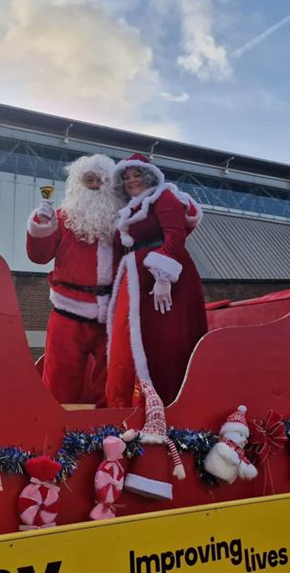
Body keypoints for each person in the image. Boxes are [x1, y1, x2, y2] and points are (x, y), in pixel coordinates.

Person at [105, 153, 207, 408]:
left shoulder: (164, 196)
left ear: (148, 176)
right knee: (128, 338)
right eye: (126, 177)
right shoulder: (128, 209)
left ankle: (165, 402)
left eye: (136, 175)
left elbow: (175, 235)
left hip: (164, 279)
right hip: (135, 278)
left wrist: (163, 276)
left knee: (163, 340)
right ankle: (127, 403)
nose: (131, 181)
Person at [27, 154, 121, 404]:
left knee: (113, 383)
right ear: (78, 184)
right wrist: (40, 226)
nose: (94, 185)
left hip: (111, 315)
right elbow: (39, 256)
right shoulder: (61, 218)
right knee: (59, 381)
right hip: (68, 310)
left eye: (101, 180)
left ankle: (113, 437)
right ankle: (56, 435)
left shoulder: (122, 222)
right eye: (88, 179)